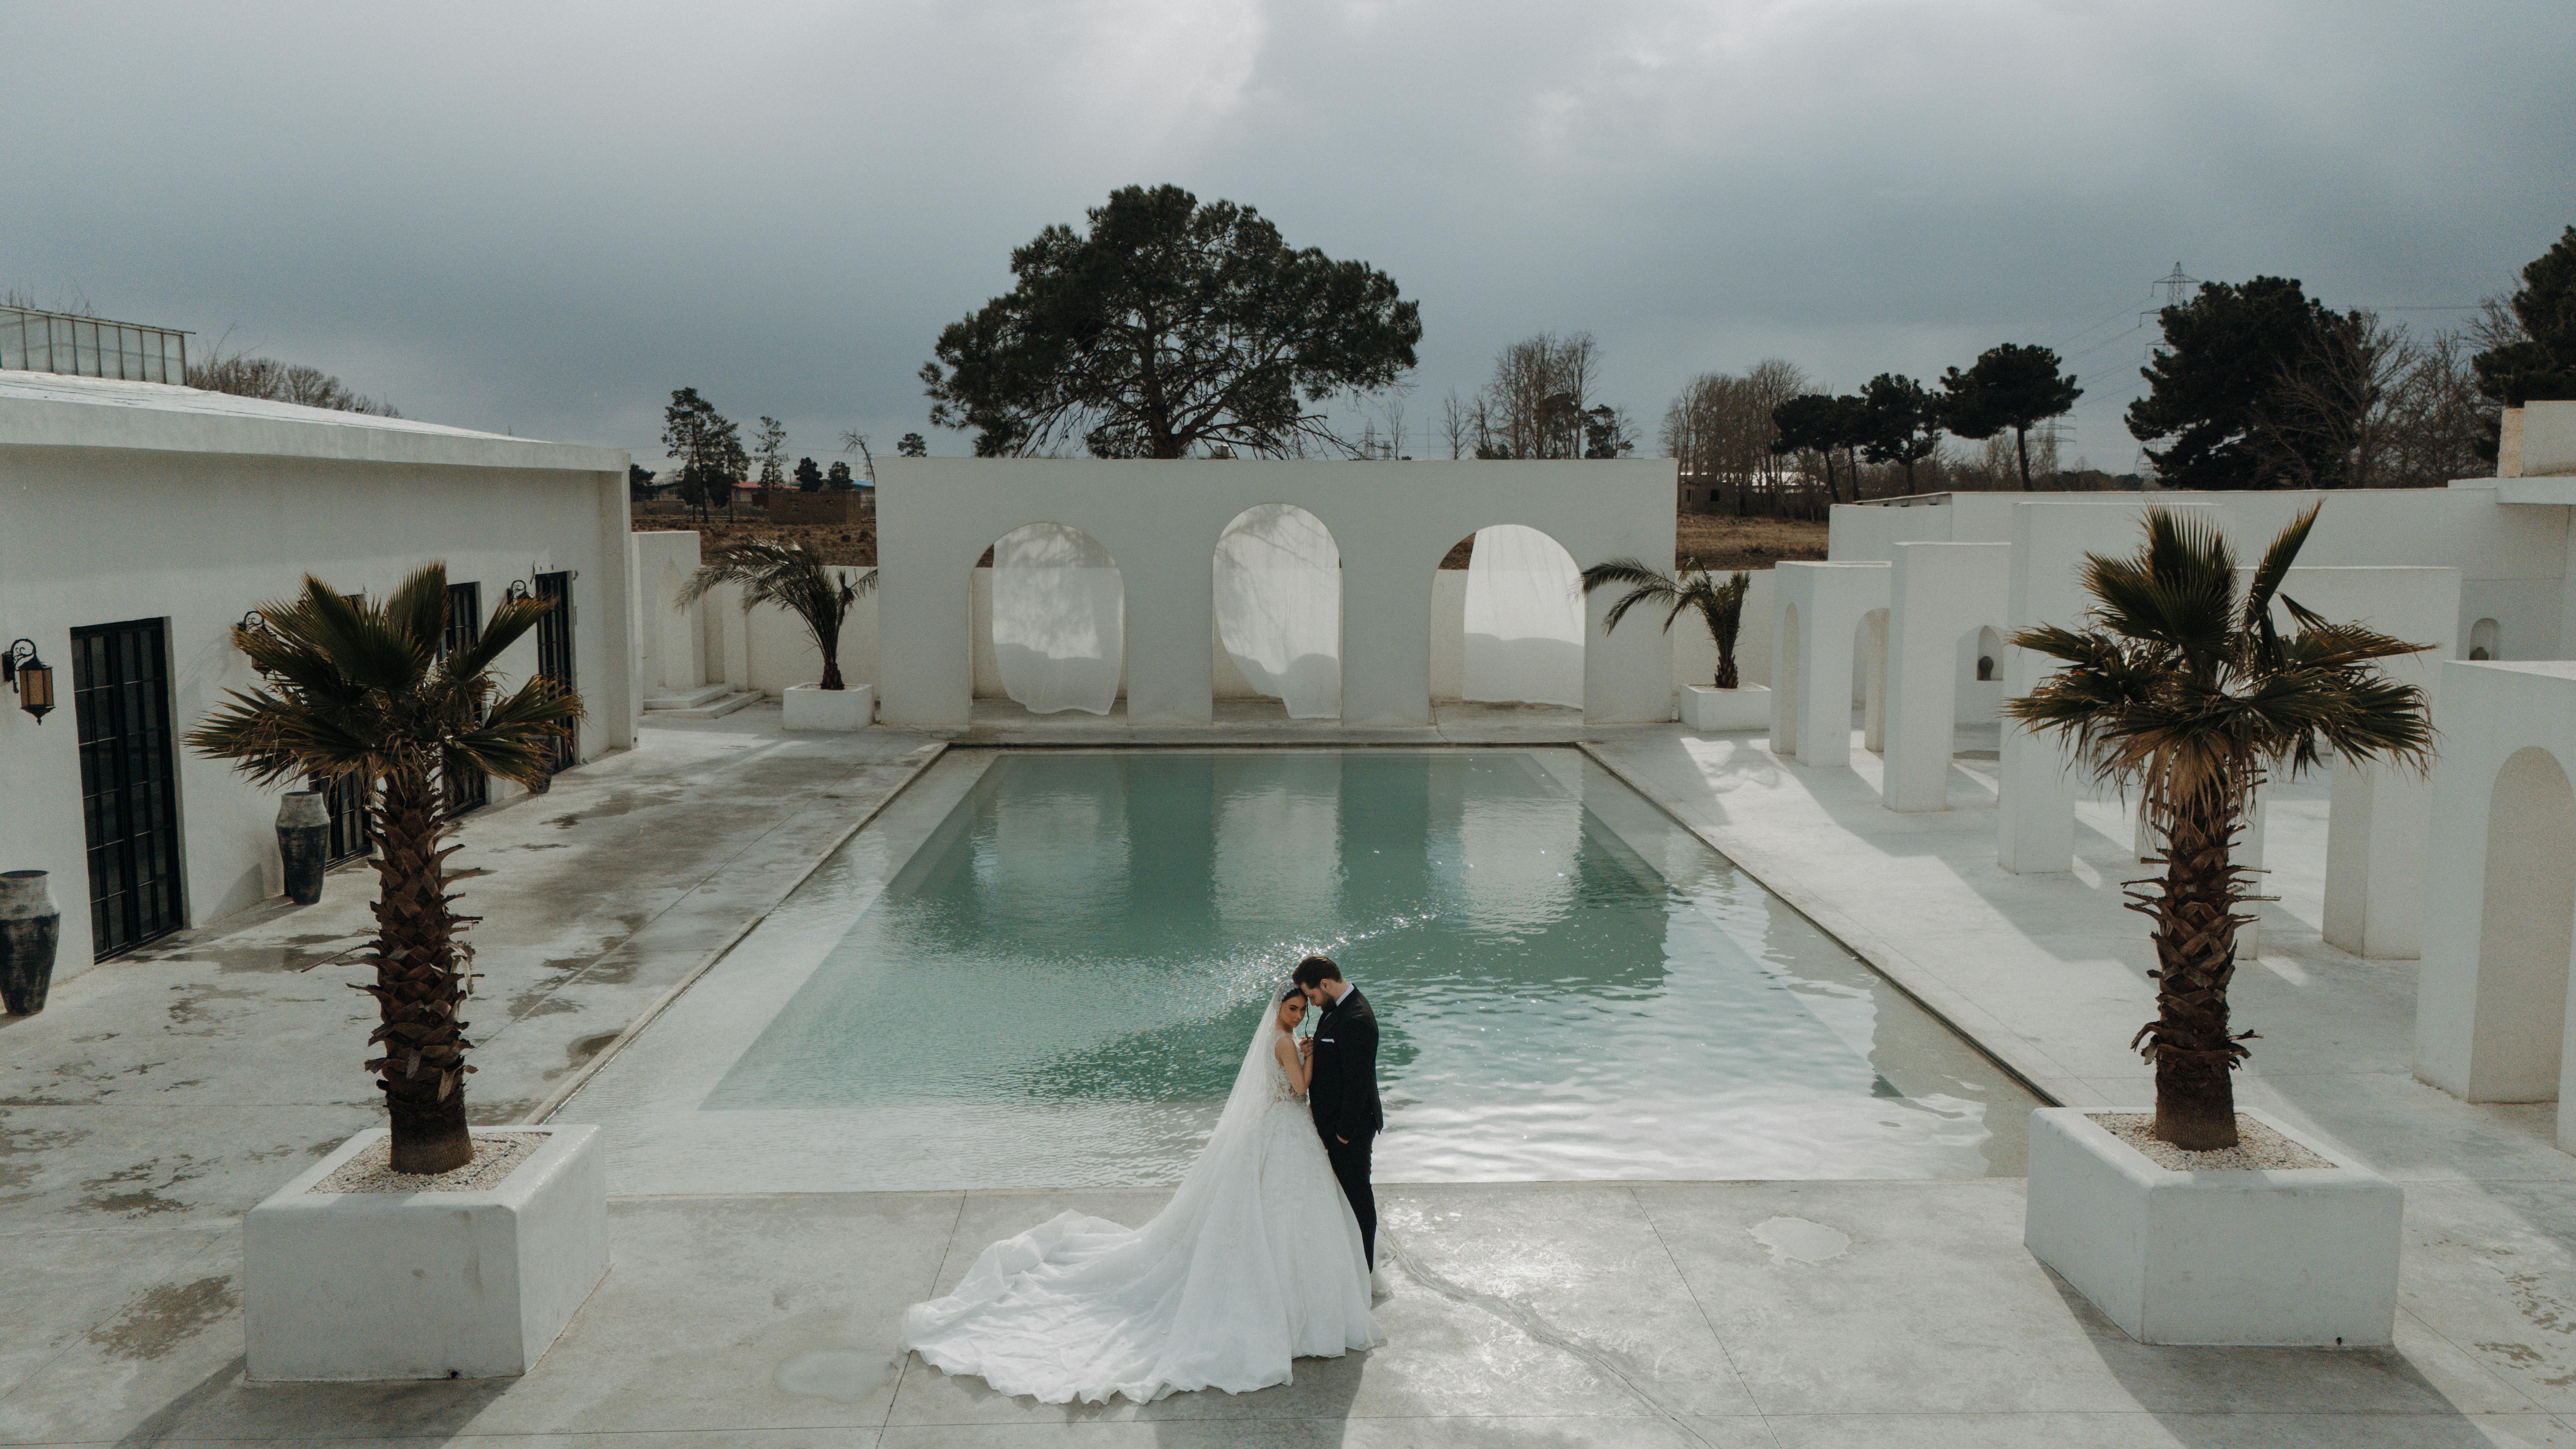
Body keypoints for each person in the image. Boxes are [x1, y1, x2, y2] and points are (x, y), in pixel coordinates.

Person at [899, 983, 1378, 1404]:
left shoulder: (1279, 1039)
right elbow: (1297, 1090)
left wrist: (1304, 1047)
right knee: (1288, 1212)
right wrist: (1311, 1056)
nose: (1299, 1016)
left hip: (1276, 1131)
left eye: (1302, 1009)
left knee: (1281, 1213)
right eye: (1294, 1008)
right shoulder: (1284, 1044)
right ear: (1280, 1008)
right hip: (1286, 1128)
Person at [1294, 954, 1383, 1272]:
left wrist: (1342, 1134)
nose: (1313, 1004)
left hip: (1351, 1128)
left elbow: (1357, 1084)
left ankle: (1366, 1270)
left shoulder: (1356, 1017)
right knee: (1346, 1197)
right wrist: (1316, 1048)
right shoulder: (1337, 1009)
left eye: (1314, 996)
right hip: (1336, 1125)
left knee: (1357, 1197)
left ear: (1326, 984)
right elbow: (1339, 1058)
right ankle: (1350, 1267)